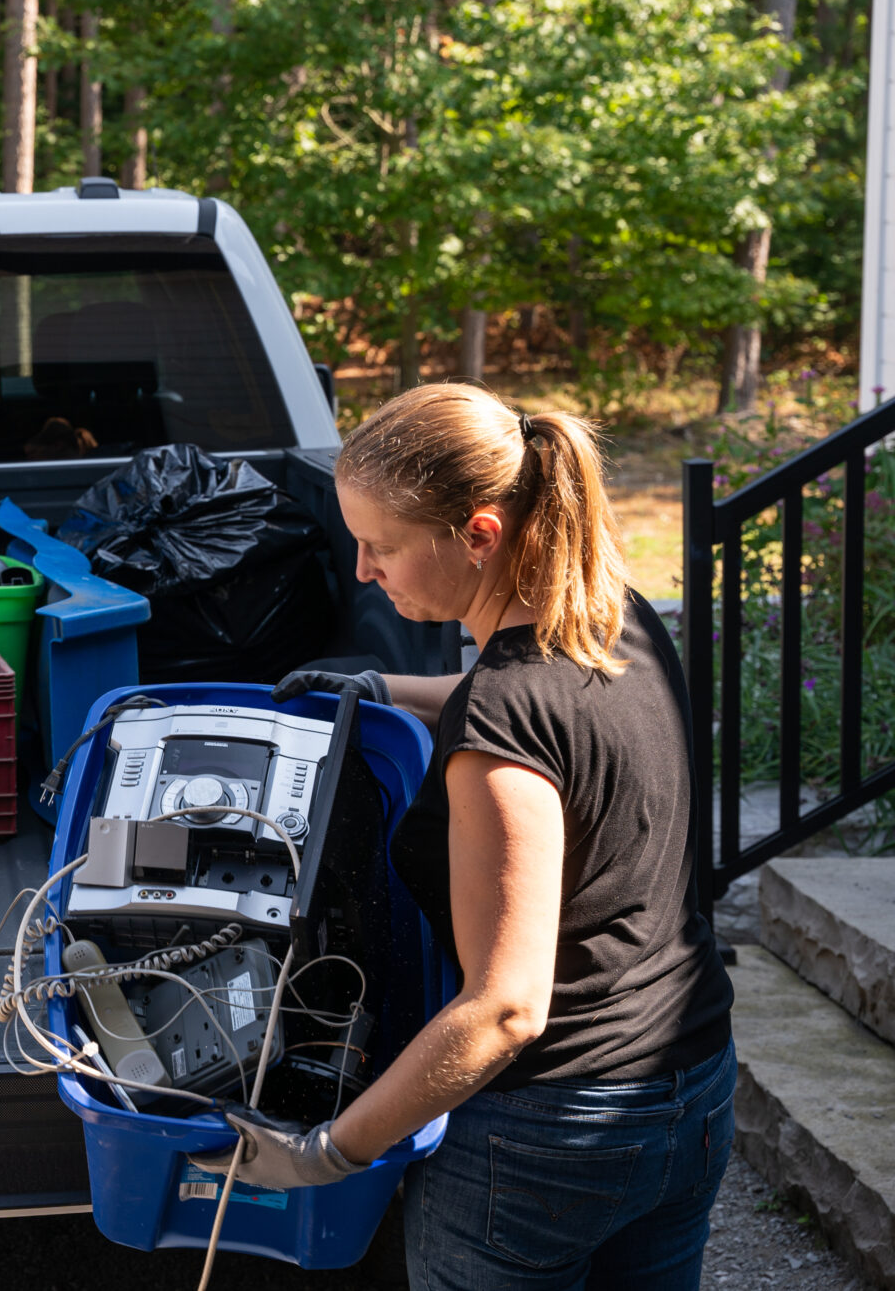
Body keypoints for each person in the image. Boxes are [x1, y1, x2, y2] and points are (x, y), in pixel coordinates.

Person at [217, 383, 735, 1290]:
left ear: (480, 534)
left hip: (546, 1139)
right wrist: (380, 687)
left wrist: (327, 1151)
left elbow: (505, 1009)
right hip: (688, 1088)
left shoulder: (498, 729)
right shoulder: (619, 616)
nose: (364, 569)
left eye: (380, 546)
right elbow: (540, 715)